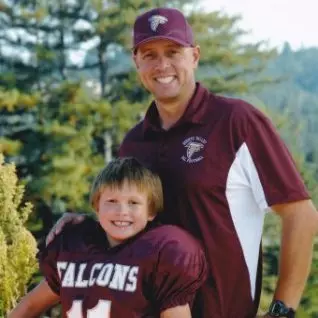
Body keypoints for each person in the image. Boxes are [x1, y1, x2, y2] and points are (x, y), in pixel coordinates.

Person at [46, 7, 318, 318]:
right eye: (149, 54)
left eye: (173, 51)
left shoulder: (236, 122)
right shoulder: (135, 142)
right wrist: (90, 226)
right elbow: (135, 223)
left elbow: (301, 215)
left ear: (195, 56)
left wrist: (281, 311)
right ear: (136, 62)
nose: (162, 64)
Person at [8, 157, 207, 318]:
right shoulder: (76, 247)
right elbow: (30, 305)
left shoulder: (163, 252)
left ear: (151, 212)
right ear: (96, 206)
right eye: (112, 201)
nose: (122, 211)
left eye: (133, 203)